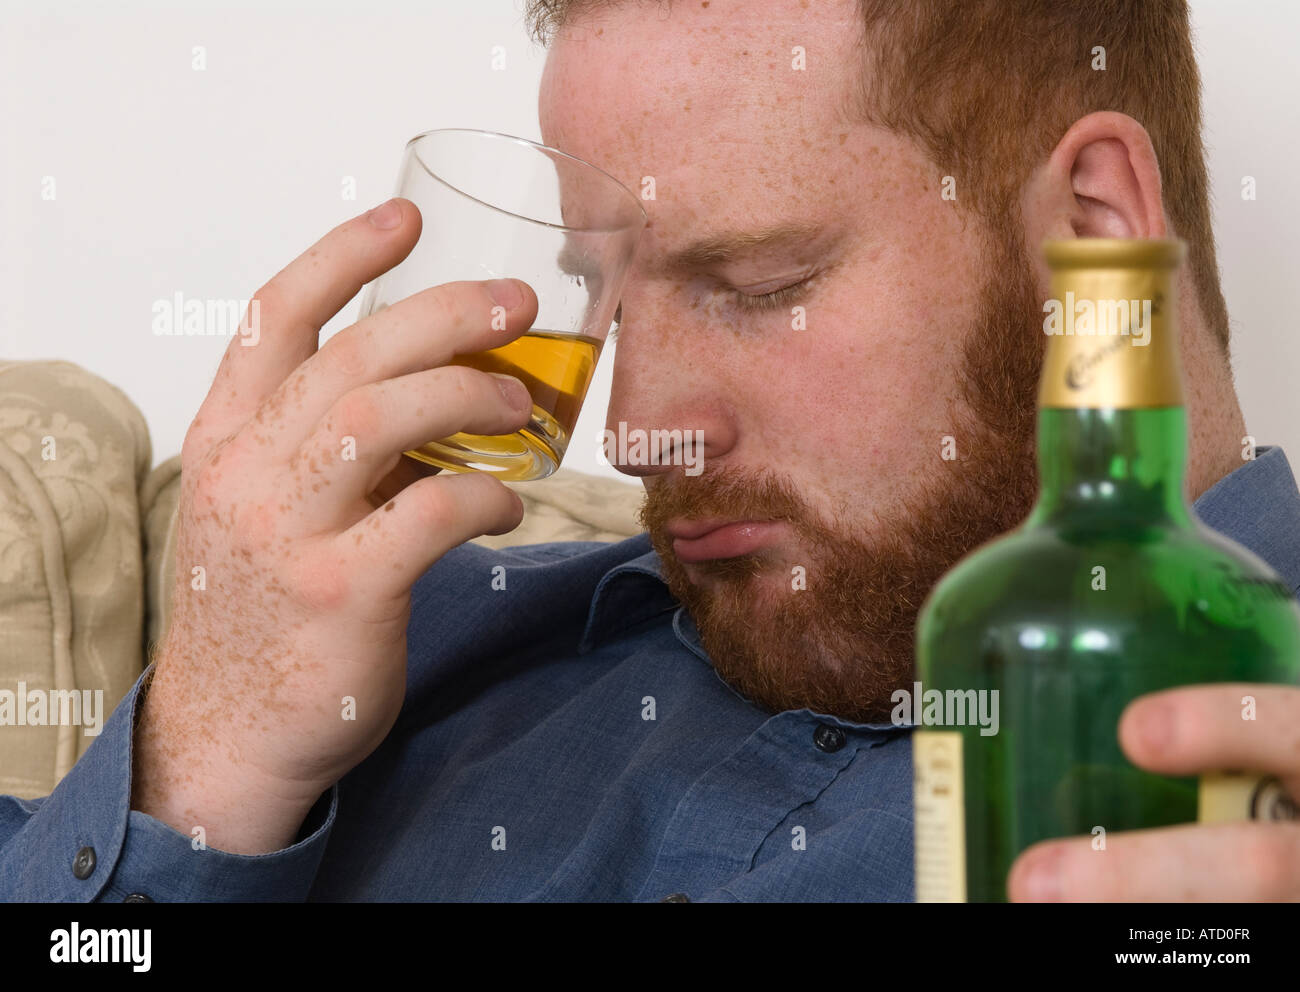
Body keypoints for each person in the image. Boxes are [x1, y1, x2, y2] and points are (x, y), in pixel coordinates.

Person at [3, 0, 1298, 902]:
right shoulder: (411, 645)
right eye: (613, 294)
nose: (637, 429)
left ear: (1093, 229)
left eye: (754, 281)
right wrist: (195, 771)